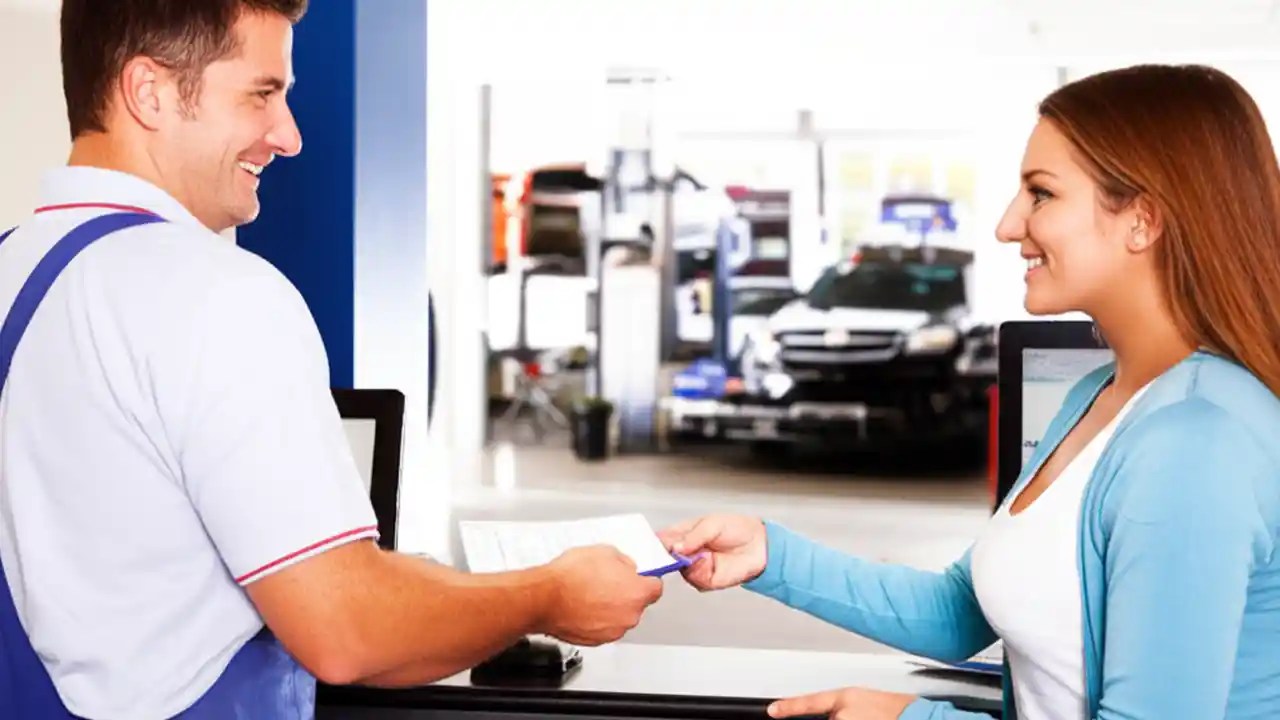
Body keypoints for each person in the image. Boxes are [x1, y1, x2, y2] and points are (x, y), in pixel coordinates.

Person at [0, 1, 663, 718]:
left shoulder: (13, 267)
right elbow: (348, 630)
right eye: (263, 93)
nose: (288, 136)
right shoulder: (214, 294)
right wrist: (551, 594)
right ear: (149, 92)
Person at [662, 64, 1280, 720]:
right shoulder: (1099, 396)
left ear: (1143, 220)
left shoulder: (1195, 443)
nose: (1008, 225)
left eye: (1041, 194)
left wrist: (911, 719)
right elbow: (962, 612)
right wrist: (770, 553)